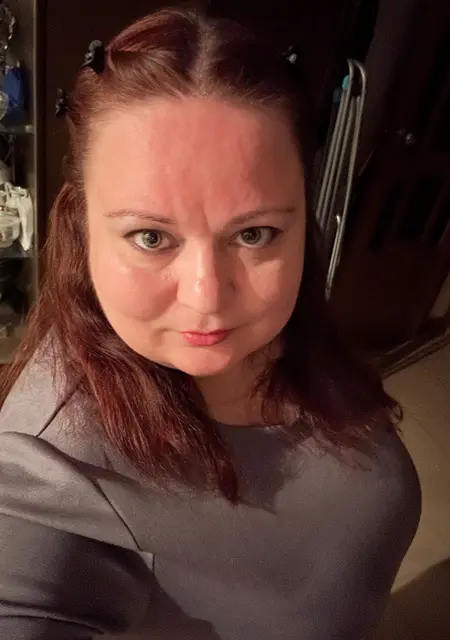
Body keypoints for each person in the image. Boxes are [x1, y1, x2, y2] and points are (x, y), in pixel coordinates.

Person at [0, 7, 421, 640]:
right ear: (83, 231)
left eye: (254, 234)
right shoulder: (46, 465)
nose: (207, 296)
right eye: (151, 237)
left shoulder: (295, 331)